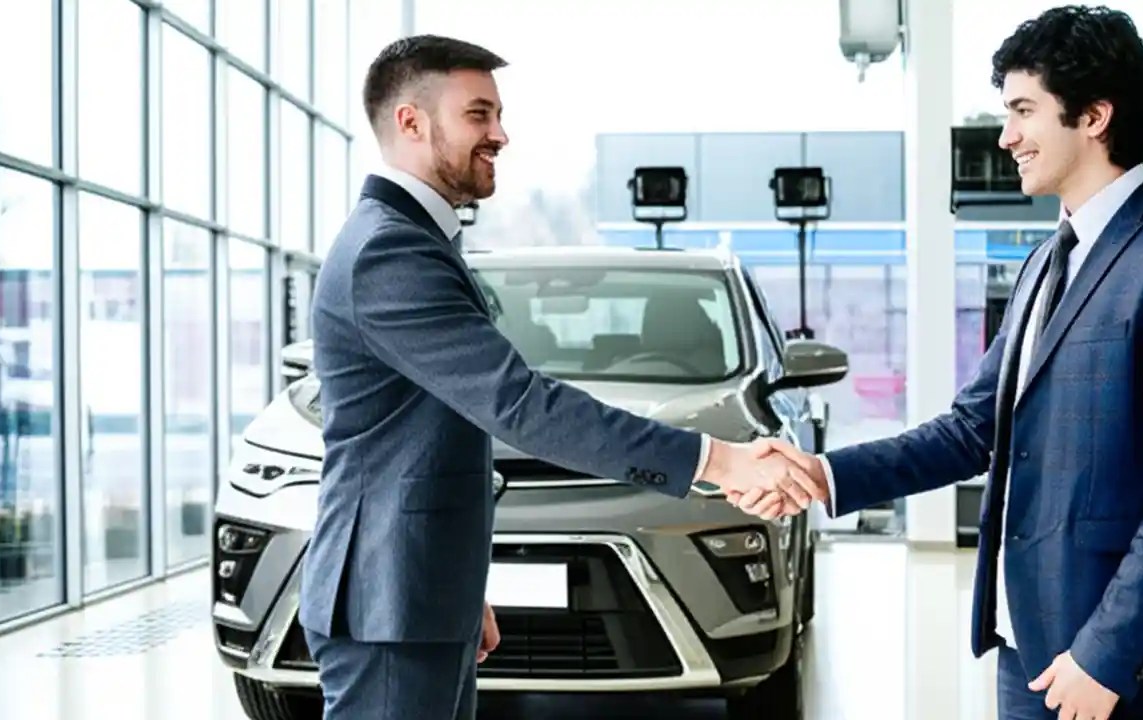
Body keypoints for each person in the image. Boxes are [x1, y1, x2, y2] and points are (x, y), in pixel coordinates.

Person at [735, 6, 1143, 719]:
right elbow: (970, 430)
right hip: (1025, 636)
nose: (1005, 136)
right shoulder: (1046, 262)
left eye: (1022, 111)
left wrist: (1107, 653)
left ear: (1095, 115)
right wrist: (823, 474)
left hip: (1106, 657)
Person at [297, 34, 827, 720]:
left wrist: (457, 588)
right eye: (479, 115)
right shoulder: (389, 252)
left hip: (416, 594)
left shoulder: (411, 241)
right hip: (390, 602)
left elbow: (426, 439)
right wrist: (720, 459)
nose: (501, 135)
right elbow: (520, 404)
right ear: (411, 122)